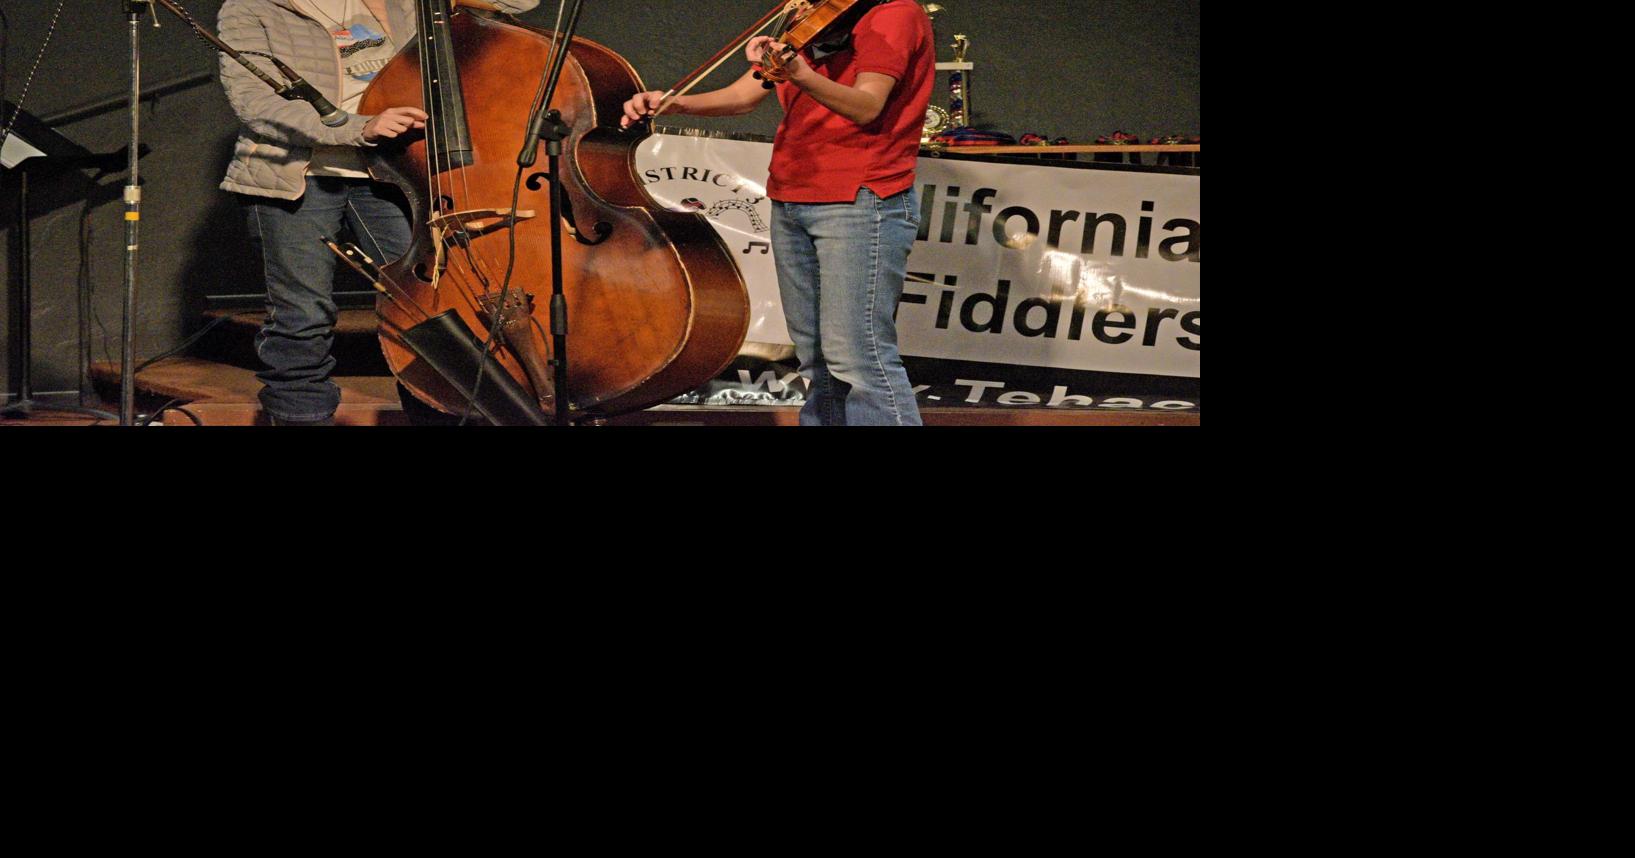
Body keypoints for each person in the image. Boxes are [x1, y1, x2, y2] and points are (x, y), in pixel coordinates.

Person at [217, 0, 537, 426]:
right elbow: (254, 101)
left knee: (424, 304)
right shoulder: (251, 7)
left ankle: (438, 415)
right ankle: (301, 419)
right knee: (302, 316)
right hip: (298, 174)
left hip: (390, 172)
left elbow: (518, 2)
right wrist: (357, 127)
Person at [622, 0, 934, 426]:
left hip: (859, 199)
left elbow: (867, 106)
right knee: (815, 357)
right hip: (793, 196)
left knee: (858, 356)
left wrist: (799, 74)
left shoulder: (894, 13)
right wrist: (675, 104)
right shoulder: (809, 22)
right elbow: (743, 96)